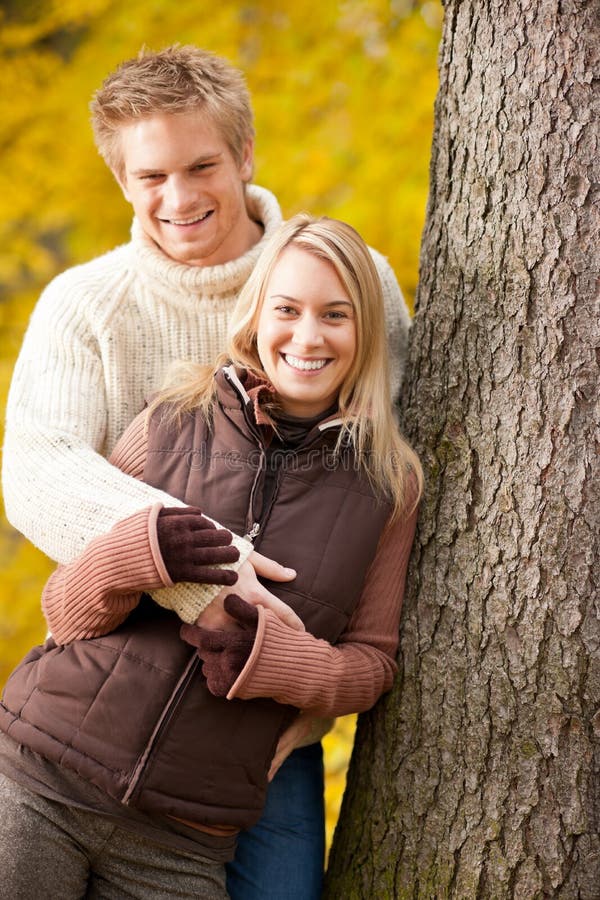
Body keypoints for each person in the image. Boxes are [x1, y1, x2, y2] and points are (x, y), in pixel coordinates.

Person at [1, 46, 411, 898]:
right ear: (122, 181)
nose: (179, 199)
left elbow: (372, 473)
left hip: (258, 728)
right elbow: (38, 472)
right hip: (102, 697)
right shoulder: (88, 309)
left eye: (201, 166)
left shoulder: (353, 281)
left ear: (246, 154)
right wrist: (211, 574)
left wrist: (303, 682)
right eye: (151, 175)